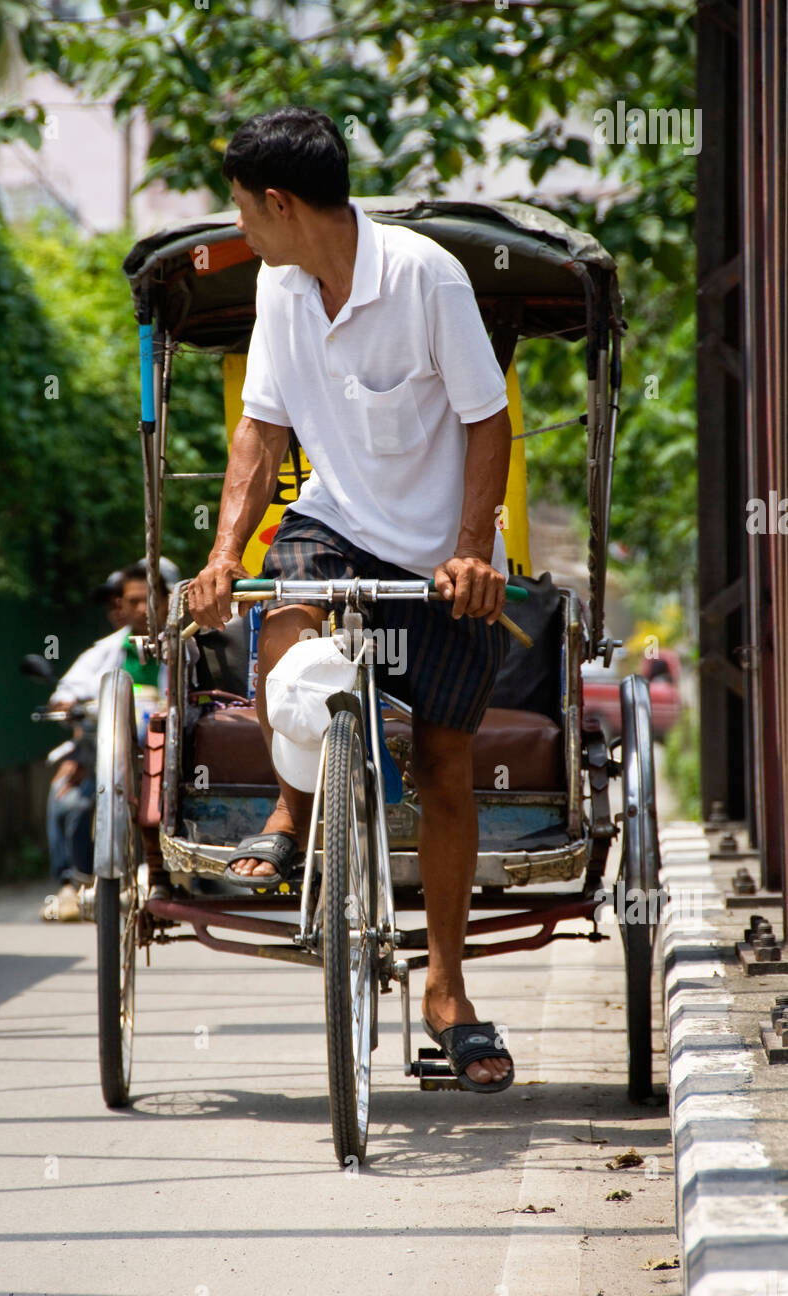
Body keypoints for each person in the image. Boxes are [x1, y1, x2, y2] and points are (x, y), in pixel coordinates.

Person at [187, 107, 514, 1092]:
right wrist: (219, 553)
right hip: (337, 522)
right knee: (283, 611)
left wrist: (467, 551)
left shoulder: (424, 276)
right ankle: (293, 813)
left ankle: (446, 990)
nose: (241, 226)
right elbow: (262, 432)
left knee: (449, 765)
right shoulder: (280, 285)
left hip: (441, 554)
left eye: (244, 208)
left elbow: (488, 421)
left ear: (280, 202)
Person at [43, 562, 170, 922]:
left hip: (171, 755)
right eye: (134, 601)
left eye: (150, 599)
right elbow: (66, 692)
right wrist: (66, 706)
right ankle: (73, 882)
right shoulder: (104, 652)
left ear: (166, 600)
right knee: (67, 797)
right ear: (121, 606)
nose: (143, 608)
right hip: (108, 756)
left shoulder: (186, 648)